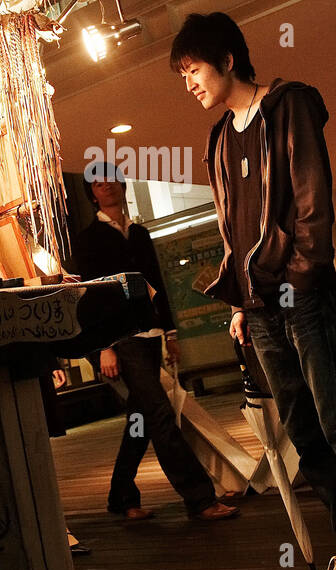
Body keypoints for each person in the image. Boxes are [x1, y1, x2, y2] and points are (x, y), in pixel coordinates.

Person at [172, 12, 336, 570]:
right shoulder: (220, 136)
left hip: (302, 297)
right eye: (183, 74)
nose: (189, 83)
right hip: (259, 309)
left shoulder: (291, 104)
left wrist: (298, 280)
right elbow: (234, 230)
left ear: (227, 59)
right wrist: (241, 301)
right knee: (304, 433)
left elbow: (311, 205)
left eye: (193, 68)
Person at [71, 161, 240, 523]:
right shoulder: (88, 240)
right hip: (121, 340)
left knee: (141, 419)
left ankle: (121, 496)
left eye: (111, 180)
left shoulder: (141, 235)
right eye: (98, 183)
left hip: (149, 336)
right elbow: (89, 297)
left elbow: (157, 285)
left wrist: (170, 332)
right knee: (160, 415)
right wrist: (104, 347)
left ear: (121, 185)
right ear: (92, 194)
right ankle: (199, 499)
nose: (107, 186)